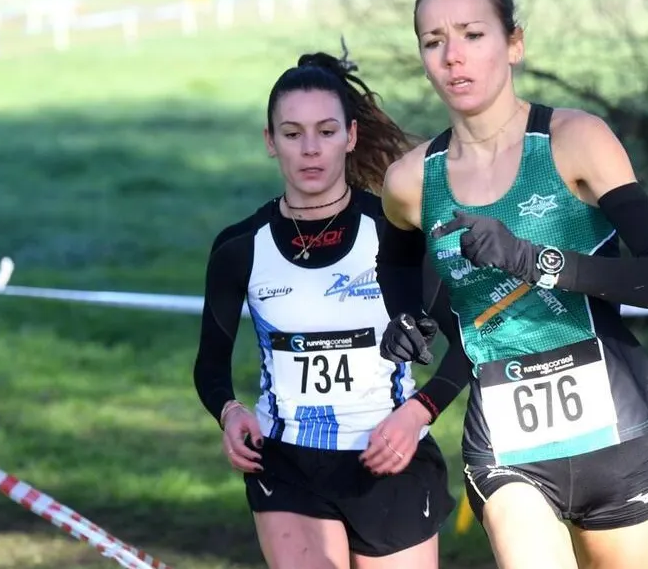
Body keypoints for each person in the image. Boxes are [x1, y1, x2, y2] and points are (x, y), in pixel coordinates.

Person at [373, 0, 648, 569]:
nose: (453, 55)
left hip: (615, 435)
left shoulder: (577, 140)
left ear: (514, 43)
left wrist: (534, 260)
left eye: (472, 33)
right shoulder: (412, 180)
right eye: (433, 40)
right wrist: (404, 315)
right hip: (506, 448)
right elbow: (393, 259)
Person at [192, 49, 469, 569]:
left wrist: (417, 414)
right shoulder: (239, 248)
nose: (310, 150)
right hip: (286, 462)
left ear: (351, 136)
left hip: (389, 459)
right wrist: (229, 413)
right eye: (292, 134)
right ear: (270, 142)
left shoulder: (394, 234)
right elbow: (211, 365)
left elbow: (473, 342)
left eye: (325, 131)